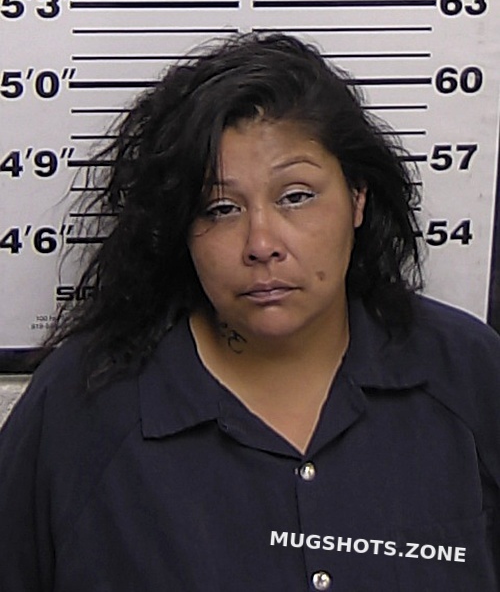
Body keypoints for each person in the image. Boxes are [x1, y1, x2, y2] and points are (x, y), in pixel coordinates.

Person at [0, 32, 499, 591]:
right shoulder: (81, 407)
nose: (261, 244)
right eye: (220, 208)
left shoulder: (467, 372)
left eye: (296, 196)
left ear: (358, 197)